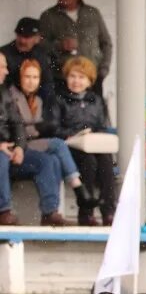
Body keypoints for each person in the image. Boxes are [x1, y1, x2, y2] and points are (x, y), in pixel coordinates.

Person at [7, 57, 82, 217]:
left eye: (35, 77)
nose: (31, 81)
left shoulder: (38, 100)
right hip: (18, 147)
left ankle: (51, 211)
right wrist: (37, 128)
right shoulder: (12, 97)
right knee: (58, 144)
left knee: (54, 160)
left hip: (32, 145)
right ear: (20, 77)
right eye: (27, 77)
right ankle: (77, 187)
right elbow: (19, 129)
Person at [0, 54, 67, 226]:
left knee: (47, 160)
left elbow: (18, 125)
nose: (6, 71)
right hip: (1, 153)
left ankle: (50, 212)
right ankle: (3, 211)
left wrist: (20, 147)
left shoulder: (4, 94)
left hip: (11, 151)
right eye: (1, 67)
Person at [48, 56, 115, 225]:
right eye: (73, 76)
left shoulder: (96, 100)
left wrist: (94, 134)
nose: (76, 81)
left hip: (92, 144)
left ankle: (108, 211)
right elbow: (54, 128)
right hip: (71, 146)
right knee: (89, 162)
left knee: (106, 161)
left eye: (81, 77)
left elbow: (101, 125)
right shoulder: (59, 99)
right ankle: (86, 213)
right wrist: (73, 134)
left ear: (89, 80)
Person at [39, 0, 113, 98]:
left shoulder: (92, 13)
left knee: (94, 114)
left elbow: (106, 43)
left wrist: (103, 71)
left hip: (92, 78)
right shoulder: (48, 16)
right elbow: (40, 45)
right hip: (61, 79)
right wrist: (60, 45)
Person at [2, 18, 55, 105]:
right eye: (20, 35)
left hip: (36, 102)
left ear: (37, 38)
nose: (22, 41)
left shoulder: (41, 54)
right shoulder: (3, 54)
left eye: (27, 37)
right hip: (10, 103)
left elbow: (47, 83)